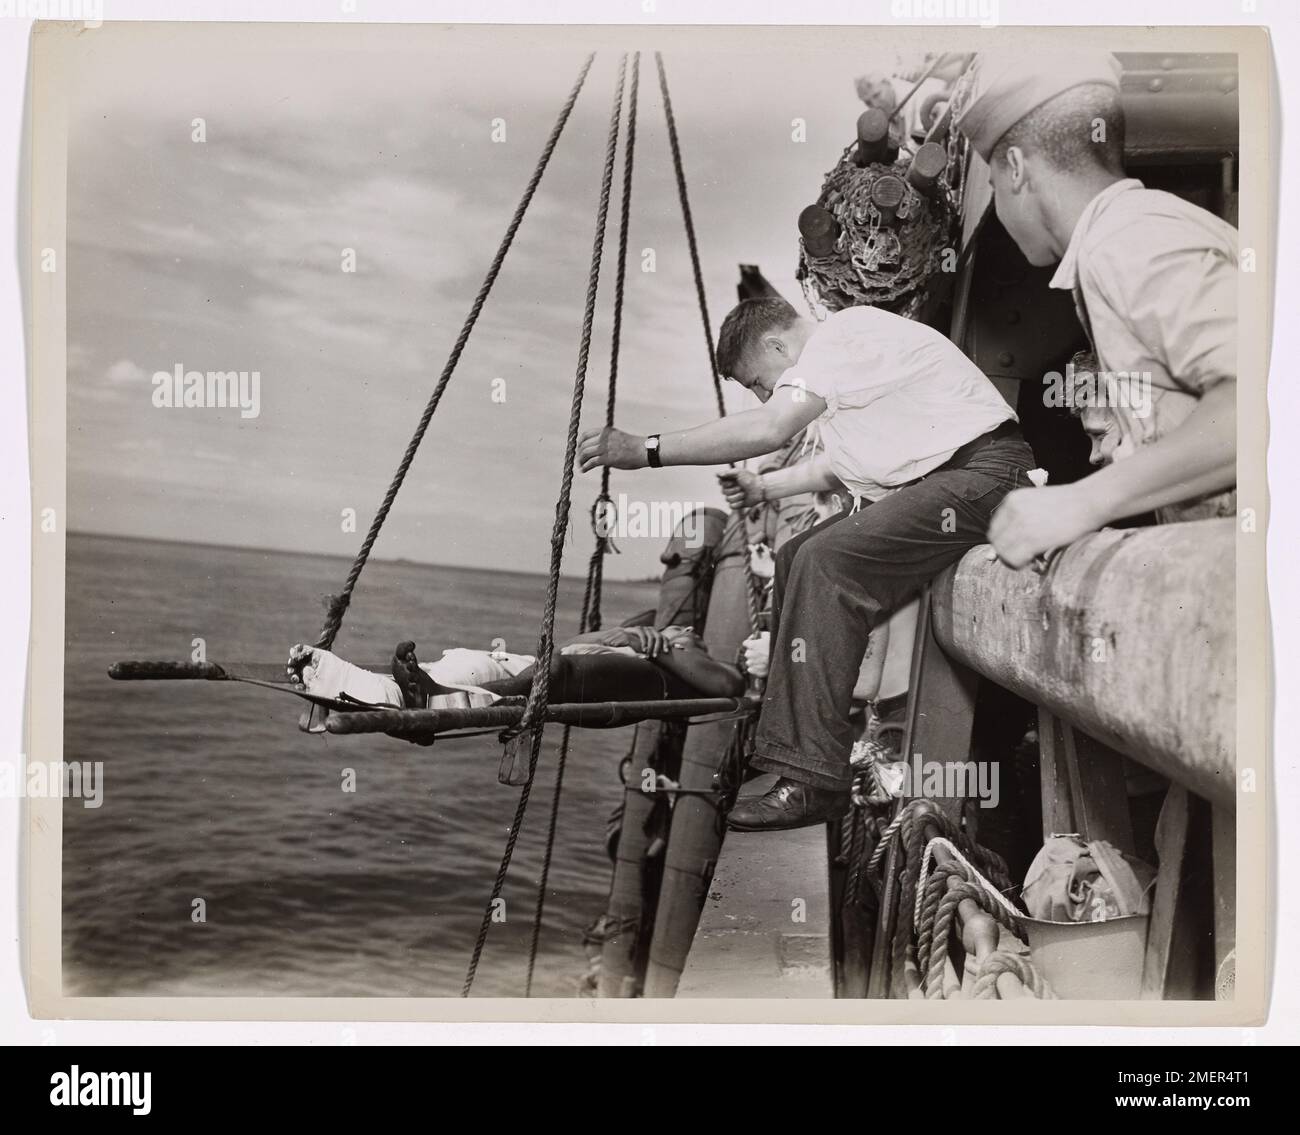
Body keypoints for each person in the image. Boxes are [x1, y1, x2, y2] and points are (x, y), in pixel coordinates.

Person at [577, 296, 1034, 830]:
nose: (764, 393)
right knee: (798, 553)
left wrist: (646, 449)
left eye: (757, 382)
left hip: (988, 476)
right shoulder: (854, 371)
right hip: (959, 480)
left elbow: (771, 428)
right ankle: (799, 760)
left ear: (777, 346)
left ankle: (813, 781)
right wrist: (762, 485)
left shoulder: (840, 337)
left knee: (825, 561)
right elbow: (833, 468)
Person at [953, 50, 1238, 567]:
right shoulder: (1123, 234)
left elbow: (1267, 393)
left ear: (1015, 169)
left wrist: (1084, 500)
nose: (998, 203)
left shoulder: (1124, 238)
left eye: (994, 187)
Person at [286, 622, 745, 712]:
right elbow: (569, 646)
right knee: (465, 661)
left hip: (587, 681)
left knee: (556, 670)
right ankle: (376, 688)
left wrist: (668, 645)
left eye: (691, 632)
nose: (683, 628)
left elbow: (729, 682)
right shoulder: (634, 640)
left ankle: (435, 701)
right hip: (533, 666)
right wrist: (619, 636)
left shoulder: (674, 658)